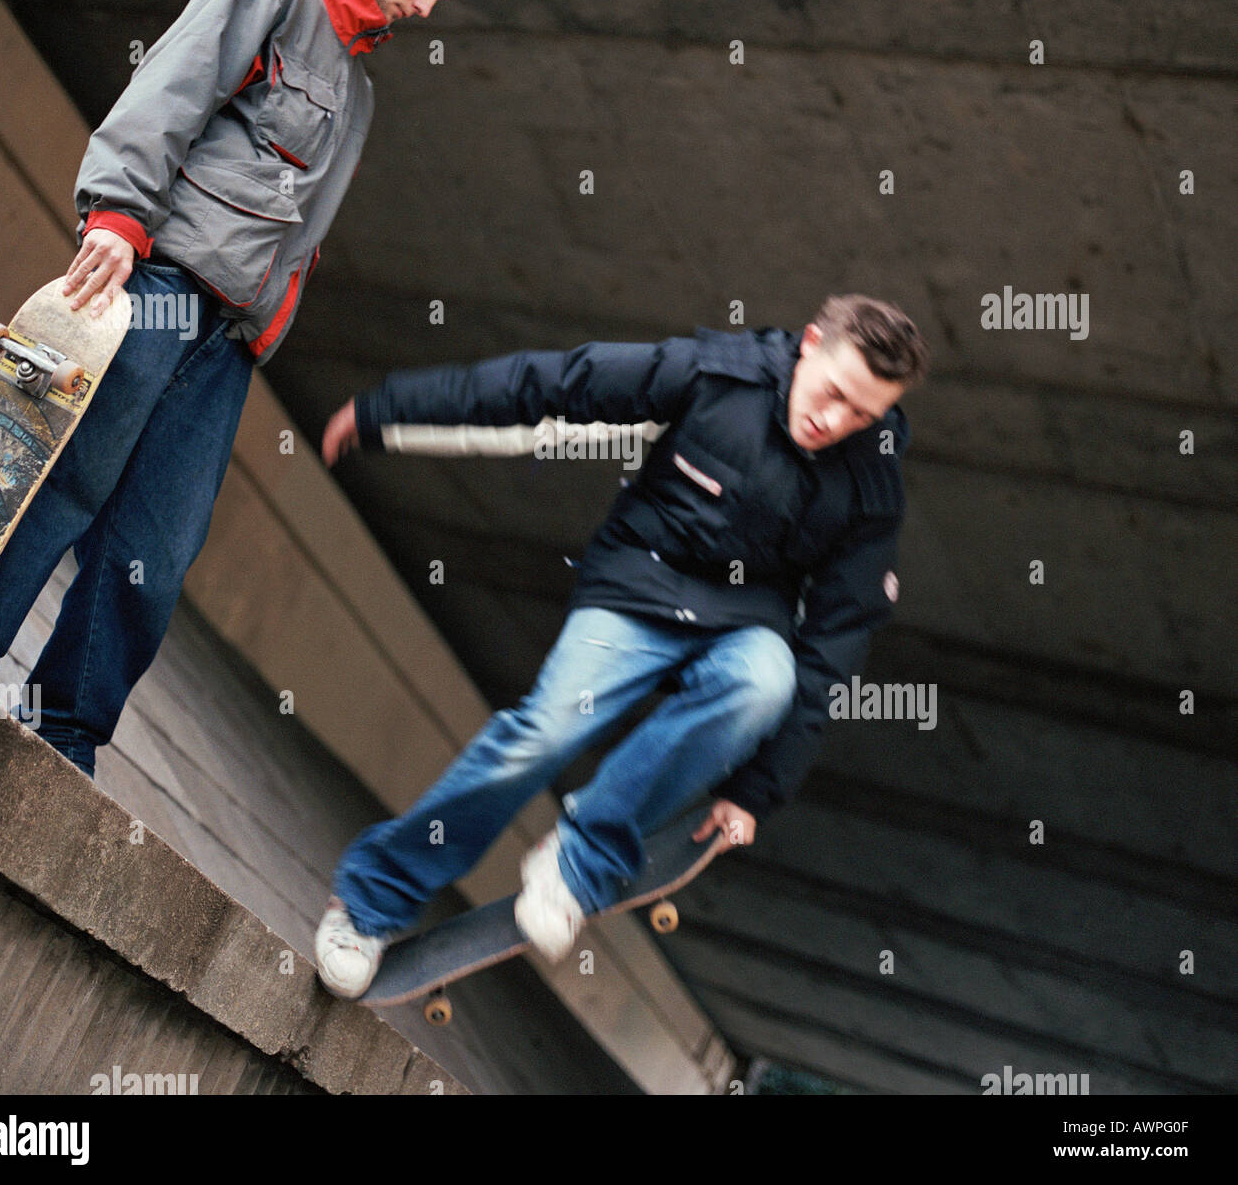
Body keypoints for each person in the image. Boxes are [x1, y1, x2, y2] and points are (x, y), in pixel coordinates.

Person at [0, 0, 472, 779]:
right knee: (64, 475)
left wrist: (265, 331)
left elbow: (303, 232)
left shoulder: (361, 95)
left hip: (224, 343)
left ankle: (64, 735)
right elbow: (169, 92)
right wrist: (116, 215)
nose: (426, 8)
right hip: (154, 285)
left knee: (157, 546)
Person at [314, 294, 929, 996]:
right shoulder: (709, 374)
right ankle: (366, 905)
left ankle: (579, 864)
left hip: (741, 626)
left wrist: (756, 791)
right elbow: (548, 386)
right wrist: (390, 410)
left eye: (862, 415)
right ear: (811, 344)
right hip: (637, 590)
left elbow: (835, 642)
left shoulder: (871, 486)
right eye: (834, 394)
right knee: (542, 735)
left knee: (769, 678)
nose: (835, 421)